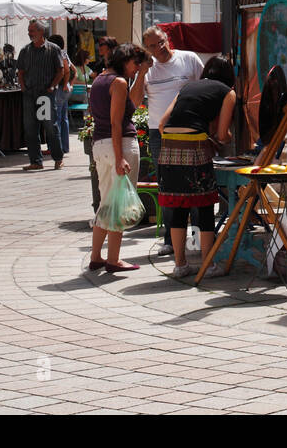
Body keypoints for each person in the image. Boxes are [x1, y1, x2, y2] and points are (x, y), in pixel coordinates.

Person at [156, 56, 236, 279]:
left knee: (178, 205)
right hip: (195, 149)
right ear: (230, 76)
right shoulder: (228, 92)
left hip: (168, 147)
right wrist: (224, 139)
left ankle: (180, 265)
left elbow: (162, 125)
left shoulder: (188, 87)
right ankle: (208, 265)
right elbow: (222, 135)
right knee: (204, 206)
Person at [142, 26, 204, 253]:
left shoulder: (189, 59)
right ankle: (170, 239)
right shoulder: (148, 70)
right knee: (167, 187)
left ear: (167, 39)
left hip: (190, 130)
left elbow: (203, 88)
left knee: (197, 184)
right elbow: (135, 99)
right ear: (146, 48)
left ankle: (198, 238)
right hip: (159, 133)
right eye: (152, 45)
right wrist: (141, 72)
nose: (159, 48)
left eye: (160, 41)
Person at [88, 42, 148, 273]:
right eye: (136, 63)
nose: (137, 67)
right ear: (125, 60)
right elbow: (117, 122)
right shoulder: (119, 82)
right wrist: (120, 156)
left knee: (107, 203)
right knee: (119, 205)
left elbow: (129, 106)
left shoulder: (100, 80)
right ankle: (113, 260)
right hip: (119, 144)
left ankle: (96, 257)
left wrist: (141, 74)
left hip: (100, 145)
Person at [17, 22, 67, 172]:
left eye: (32, 31)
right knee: (30, 128)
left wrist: (53, 86)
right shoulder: (25, 50)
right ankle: (36, 161)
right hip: (30, 94)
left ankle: (58, 158)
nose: (29, 33)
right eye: (28, 31)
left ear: (41, 32)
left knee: (50, 127)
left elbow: (60, 70)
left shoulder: (53, 49)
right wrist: (23, 87)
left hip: (45, 93)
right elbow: (20, 71)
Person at [48, 33, 76, 158]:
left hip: (59, 88)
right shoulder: (65, 53)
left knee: (57, 118)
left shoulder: (58, 52)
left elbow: (67, 69)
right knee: (63, 118)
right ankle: (64, 146)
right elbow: (74, 70)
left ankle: (57, 147)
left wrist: (65, 84)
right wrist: (70, 83)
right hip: (65, 89)